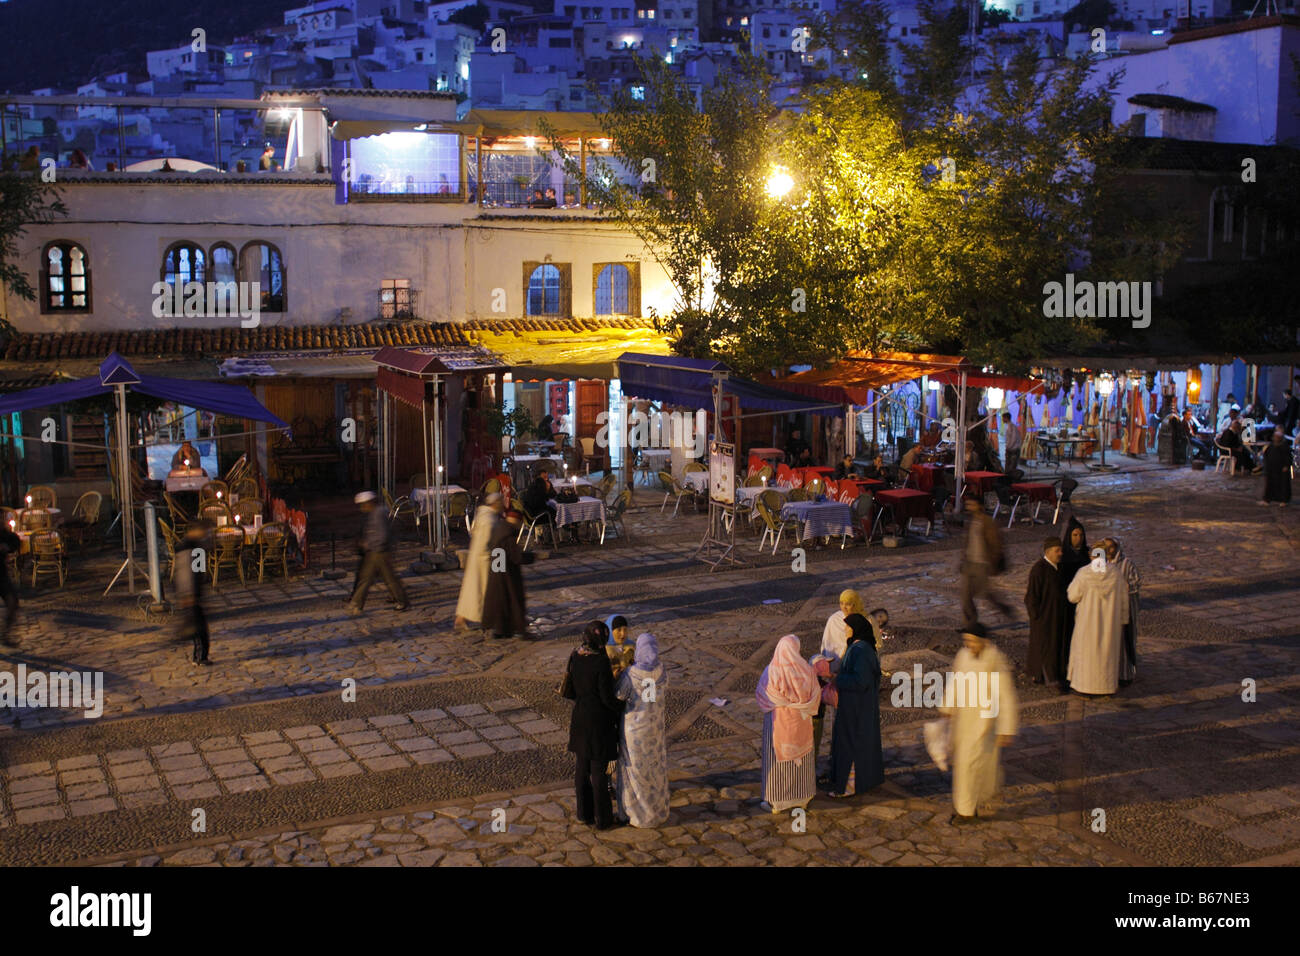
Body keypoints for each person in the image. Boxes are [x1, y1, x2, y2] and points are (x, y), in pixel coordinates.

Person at [941, 622, 1018, 824]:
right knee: (966, 765)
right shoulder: (963, 655)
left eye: (973, 641)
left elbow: (1005, 695)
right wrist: (948, 707)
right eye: (967, 641)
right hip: (964, 719)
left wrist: (1006, 729)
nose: (969, 645)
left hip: (984, 723)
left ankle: (966, 811)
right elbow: (955, 681)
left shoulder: (995, 661)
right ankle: (970, 803)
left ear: (983, 641)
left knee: (970, 765)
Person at [566, 621, 625, 830]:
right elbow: (607, 697)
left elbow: (571, 689)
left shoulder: (576, 655)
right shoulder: (601, 661)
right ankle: (603, 819)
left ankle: (584, 814)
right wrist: (623, 706)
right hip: (599, 723)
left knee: (582, 769)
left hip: (580, 718)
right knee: (599, 771)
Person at [757, 634, 822, 812]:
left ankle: (776, 801)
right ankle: (802, 796)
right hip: (801, 722)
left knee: (777, 760)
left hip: (779, 723)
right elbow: (816, 695)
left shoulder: (771, 671)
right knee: (803, 758)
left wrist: (783, 703)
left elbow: (763, 696)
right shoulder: (807, 671)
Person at [827, 613, 885, 798]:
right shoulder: (862, 648)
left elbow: (861, 680)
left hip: (855, 707)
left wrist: (838, 679)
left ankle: (848, 787)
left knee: (851, 744)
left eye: (848, 627)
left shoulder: (860, 650)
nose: (845, 630)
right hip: (858, 705)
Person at [614, 632, 669, 827]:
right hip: (654, 730)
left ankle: (634, 814)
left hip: (634, 731)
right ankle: (656, 811)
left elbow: (619, 694)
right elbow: (652, 696)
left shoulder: (632, 674)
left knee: (634, 773)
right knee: (654, 770)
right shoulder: (662, 671)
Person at [811, 589, 864, 771]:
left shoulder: (864, 622)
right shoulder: (834, 620)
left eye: (849, 604)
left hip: (855, 678)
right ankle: (838, 759)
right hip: (837, 678)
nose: (845, 607)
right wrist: (829, 670)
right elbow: (827, 645)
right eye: (842, 603)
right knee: (838, 720)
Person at [1066, 544, 1128, 697]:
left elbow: (1072, 596)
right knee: (1107, 654)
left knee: (1087, 654)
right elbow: (1124, 599)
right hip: (1109, 624)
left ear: (1092, 556)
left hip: (1087, 623)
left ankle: (1085, 686)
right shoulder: (1116, 574)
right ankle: (1105, 686)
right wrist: (1123, 619)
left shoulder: (1084, 573)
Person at [347, 491, 408, 615]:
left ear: (369, 503)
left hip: (378, 551)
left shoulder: (377, 514)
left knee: (380, 578)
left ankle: (356, 604)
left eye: (363, 504)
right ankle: (356, 604)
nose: (362, 508)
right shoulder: (378, 512)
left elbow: (382, 534)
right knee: (373, 578)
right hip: (376, 550)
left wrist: (368, 544)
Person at [481, 509, 534, 639]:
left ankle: (500, 630)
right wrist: (532, 556)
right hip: (508, 575)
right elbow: (516, 557)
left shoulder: (499, 530)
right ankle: (518, 630)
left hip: (496, 572)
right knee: (513, 601)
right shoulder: (509, 535)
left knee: (499, 601)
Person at [959, 495, 1011, 627]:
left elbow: (996, 544)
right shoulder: (971, 521)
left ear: (980, 506)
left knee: (984, 593)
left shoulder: (988, 522)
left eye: (972, 504)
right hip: (970, 563)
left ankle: (1004, 608)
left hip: (982, 564)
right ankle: (970, 624)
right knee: (966, 596)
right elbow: (968, 542)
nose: (969, 507)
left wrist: (993, 562)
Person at [1024, 536, 1068, 689]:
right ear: (1048, 552)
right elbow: (1031, 597)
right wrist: (1037, 617)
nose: (1060, 553)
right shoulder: (1039, 569)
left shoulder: (1058, 567)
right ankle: (1045, 676)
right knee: (1044, 647)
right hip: (1044, 618)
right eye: (1057, 550)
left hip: (1056, 616)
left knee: (1054, 645)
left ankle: (1052, 674)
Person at [455, 492, 501, 630]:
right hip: (483, 562)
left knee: (472, 592)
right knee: (481, 593)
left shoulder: (484, 515)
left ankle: (462, 618)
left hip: (478, 559)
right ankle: (490, 618)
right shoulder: (489, 520)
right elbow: (486, 542)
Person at [1102, 538, 1141, 686]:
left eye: (1111, 547)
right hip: (1108, 612)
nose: (1109, 551)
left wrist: (1119, 589)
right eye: (1106, 548)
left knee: (1126, 641)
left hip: (1125, 609)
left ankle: (1126, 674)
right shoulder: (1102, 564)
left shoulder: (1127, 564)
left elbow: (1135, 583)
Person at [174, 522, 214, 664]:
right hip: (190, 595)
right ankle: (199, 658)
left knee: (199, 626)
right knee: (198, 627)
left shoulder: (196, 547)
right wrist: (188, 594)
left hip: (194, 593)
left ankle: (200, 656)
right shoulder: (189, 548)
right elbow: (186, 574)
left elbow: (199, 572)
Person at [0, 523, 23, 647]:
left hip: (1, 574)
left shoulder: (2, 532)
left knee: (12, 601)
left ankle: (5, 635)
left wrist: (7, 547)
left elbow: (14, 539)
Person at [1260, 429, 1292, 507]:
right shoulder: (1271, 446)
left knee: (1283, 485)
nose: (1275, 438)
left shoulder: (1285, 446)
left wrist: (1286, 466)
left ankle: (1283, 500)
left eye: (1277, 437)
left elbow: (1288, 458)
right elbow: (1266, 455)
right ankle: (1267, 500)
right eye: (1275, 437)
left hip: (1281, 470)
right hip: (1271, 468)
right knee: (1270, 484)